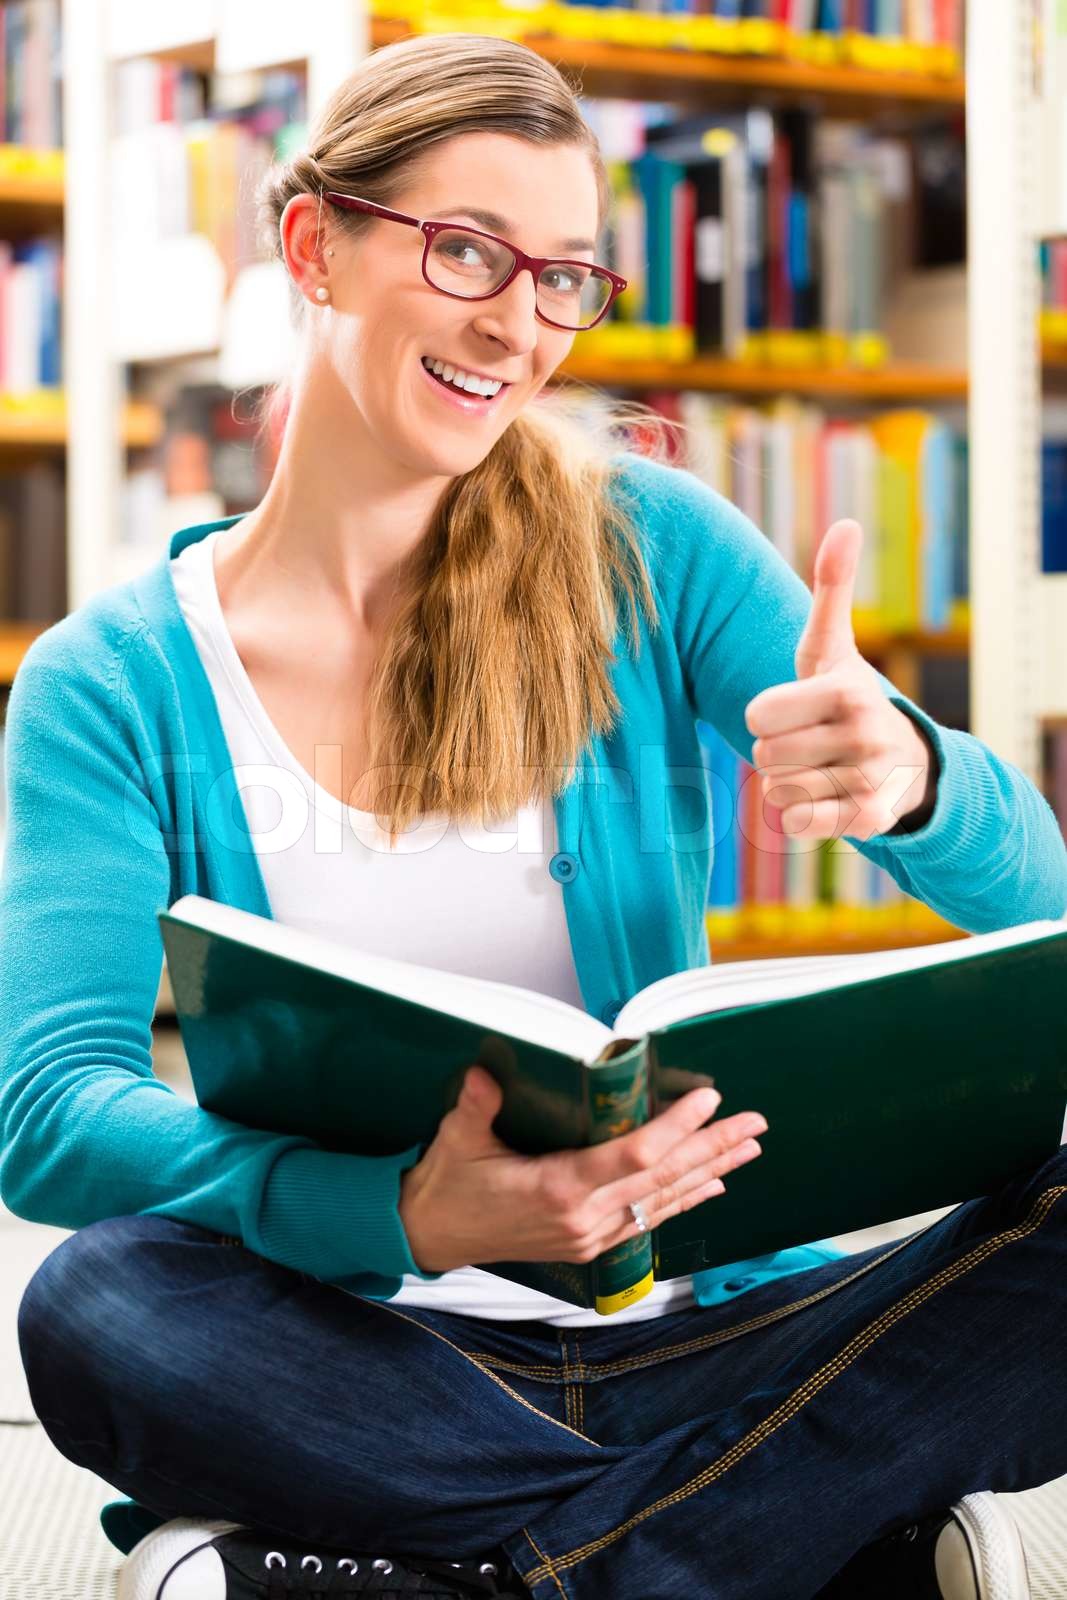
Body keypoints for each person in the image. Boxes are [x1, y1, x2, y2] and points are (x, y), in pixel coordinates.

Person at [3, 30, 1067, 1600]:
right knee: (100, 1308)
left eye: (566, 276)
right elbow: (51, 1112)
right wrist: (403, 1212)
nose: (518, 324)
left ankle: (521, 1576)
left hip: (712, 1324)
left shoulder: (647, 548)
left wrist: (914, 777)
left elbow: (1037, 899)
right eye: (465, 251)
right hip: (372, 1353)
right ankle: (786, 1531)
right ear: (317, 244)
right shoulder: (113, 682)